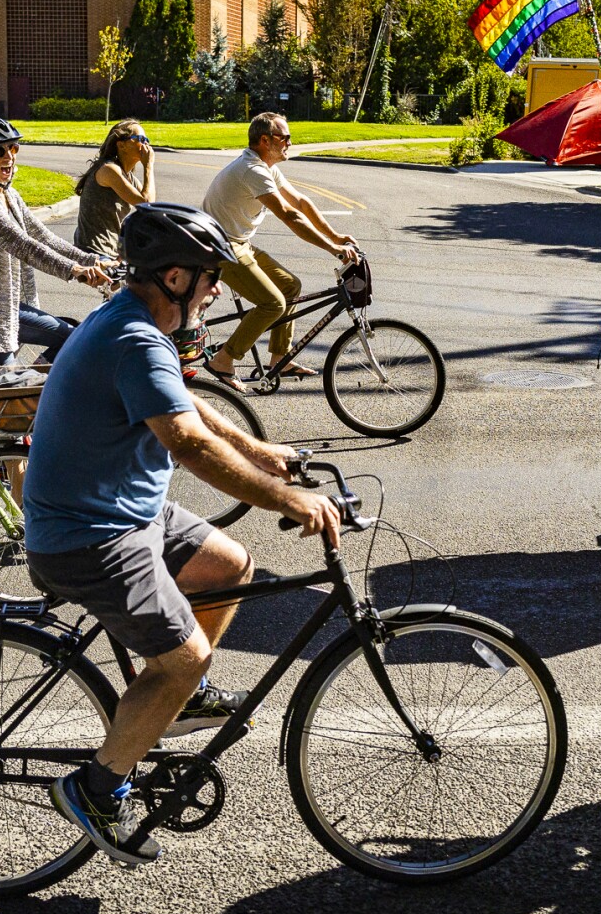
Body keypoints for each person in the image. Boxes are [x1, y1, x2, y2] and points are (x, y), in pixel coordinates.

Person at [26, 202, 338, 867]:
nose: (216, 288)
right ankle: (95, 788)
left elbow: (187, 404)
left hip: (126, 511)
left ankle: (177, 698)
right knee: (187, 652)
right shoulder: (134, 337)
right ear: (173, 277)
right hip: (88, 534)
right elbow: (188, 442)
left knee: (230, 565)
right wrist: (290, 499)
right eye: (209, 276)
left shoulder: (139, 326)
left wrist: (258, 449)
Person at [200, 112, 360, 391]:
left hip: (238, 242)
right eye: (284, 137)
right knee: (273, 304)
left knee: (290, 286)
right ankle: (223, 360)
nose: (289, 142)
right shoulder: (253, 170)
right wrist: (333, 249)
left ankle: (279, 359)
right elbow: (288, 215)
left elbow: (299, 201)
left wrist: (334, 235)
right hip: (219, 246)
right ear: (265, 140)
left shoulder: (266, 166)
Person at [0, 117, 111, 369]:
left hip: (7, 304)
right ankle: (27, 391)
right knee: (1, 400)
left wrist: (95, 260)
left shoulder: (8, 194)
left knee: (73, 335)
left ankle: (33, 385)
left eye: (13, 148)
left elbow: (44, 237)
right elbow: (23, 245)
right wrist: (74, 270)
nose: (9, 157)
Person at [72, 119, 156, 258]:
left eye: (147, 139)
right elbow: (144, 202)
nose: (146, 143)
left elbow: (149, 206)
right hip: (93, 252)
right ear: (121, 145)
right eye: (140, 139)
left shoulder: (127, 176)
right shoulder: (109, 169)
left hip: (111, 251)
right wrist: (148, 166)